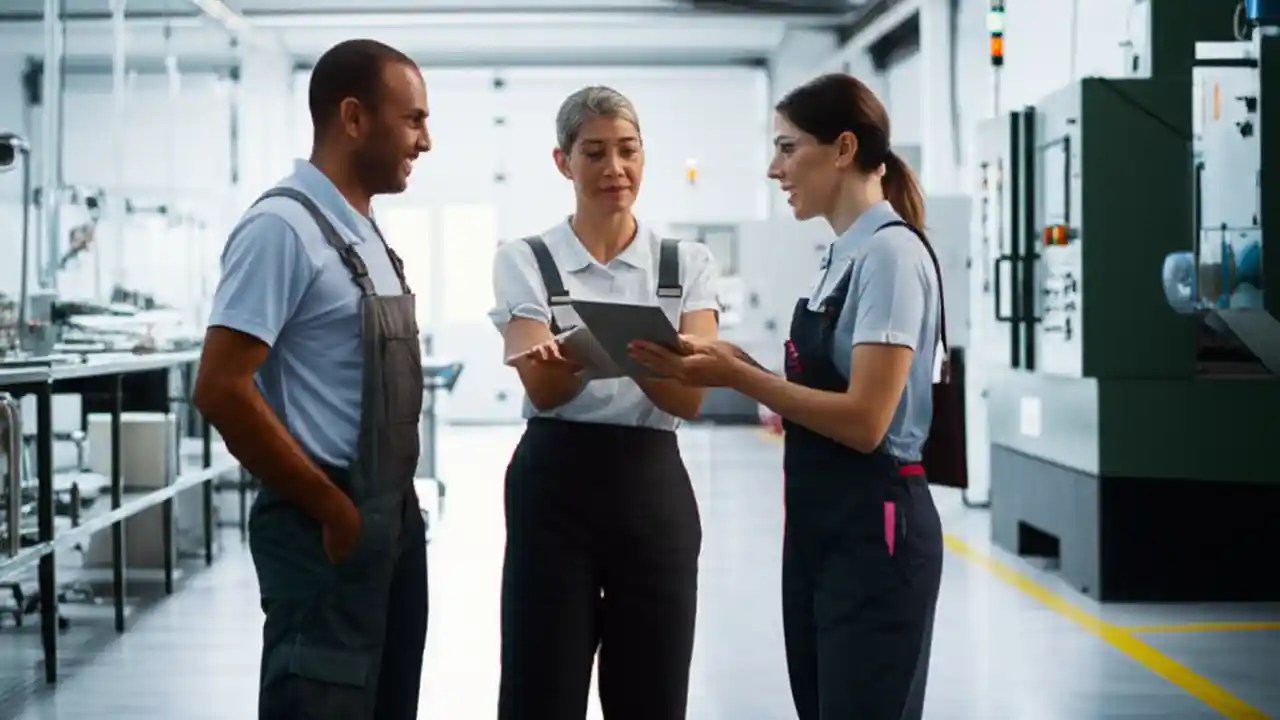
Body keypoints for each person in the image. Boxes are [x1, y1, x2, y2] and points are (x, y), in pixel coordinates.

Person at [629, 72, 945, 720]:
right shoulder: (842, 256)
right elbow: (817, 388)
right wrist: (728, 359)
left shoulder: (888, 257)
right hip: (822, 526)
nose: (775, 168)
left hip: (874, 528)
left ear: (844, 149)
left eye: (787, 147)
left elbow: (864, 420)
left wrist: (741, 381)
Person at [192, 39, 432, 720]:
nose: (425, 141)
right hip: (322, 527)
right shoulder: (282, 228)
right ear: (354, 119)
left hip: (388, 519)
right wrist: (332, 510)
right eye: (412, 120)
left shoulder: (360, 233)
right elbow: (220, 387)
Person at [489, 85, 721, 720]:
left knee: (653, 687)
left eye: (628, 150)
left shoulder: (686, 263)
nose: (614, 169)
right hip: (554, 484)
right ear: (564, 162)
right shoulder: (526, 259)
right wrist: (651, 348)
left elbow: (693, 394)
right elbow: (542, 383)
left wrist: (588, 349)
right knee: (542, 684)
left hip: (652, 485)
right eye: (593, 153)